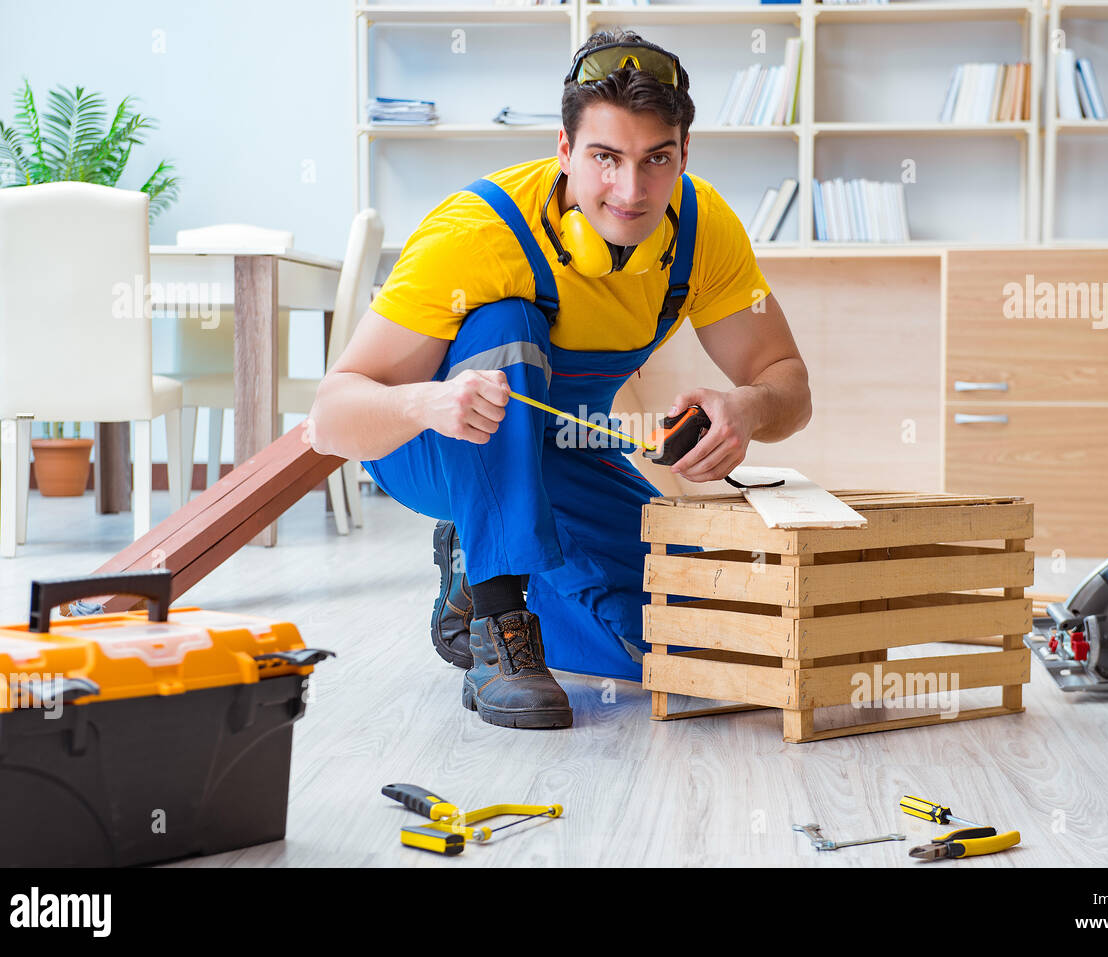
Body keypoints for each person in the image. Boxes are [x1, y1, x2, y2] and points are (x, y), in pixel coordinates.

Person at [308, 29, 811, 731]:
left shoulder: (702, 232)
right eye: (605, 158)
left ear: (683, 155)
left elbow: (788, 383)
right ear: (566, 151)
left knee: (695, 635)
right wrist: (431, 401)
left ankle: (484, 554)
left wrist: (747, 409)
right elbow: (328, 419)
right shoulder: (477, 235)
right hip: (438, 446)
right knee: (504, 322)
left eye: (655, 160)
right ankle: (496, 615)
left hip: (566, 452)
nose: (631, 191)